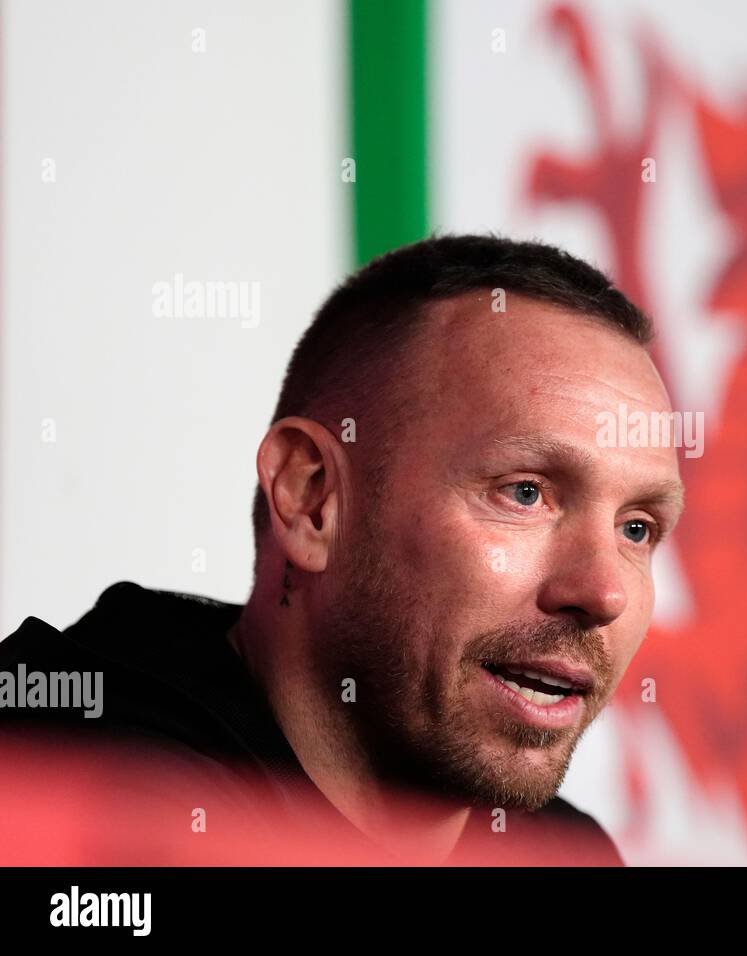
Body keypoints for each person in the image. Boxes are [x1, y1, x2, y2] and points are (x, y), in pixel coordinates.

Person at [0, 233, 687, 866]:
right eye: (525, 493)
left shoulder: (563, 852)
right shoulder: (64, 778)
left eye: (637, 529)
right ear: (312, 499)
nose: (604, 593)